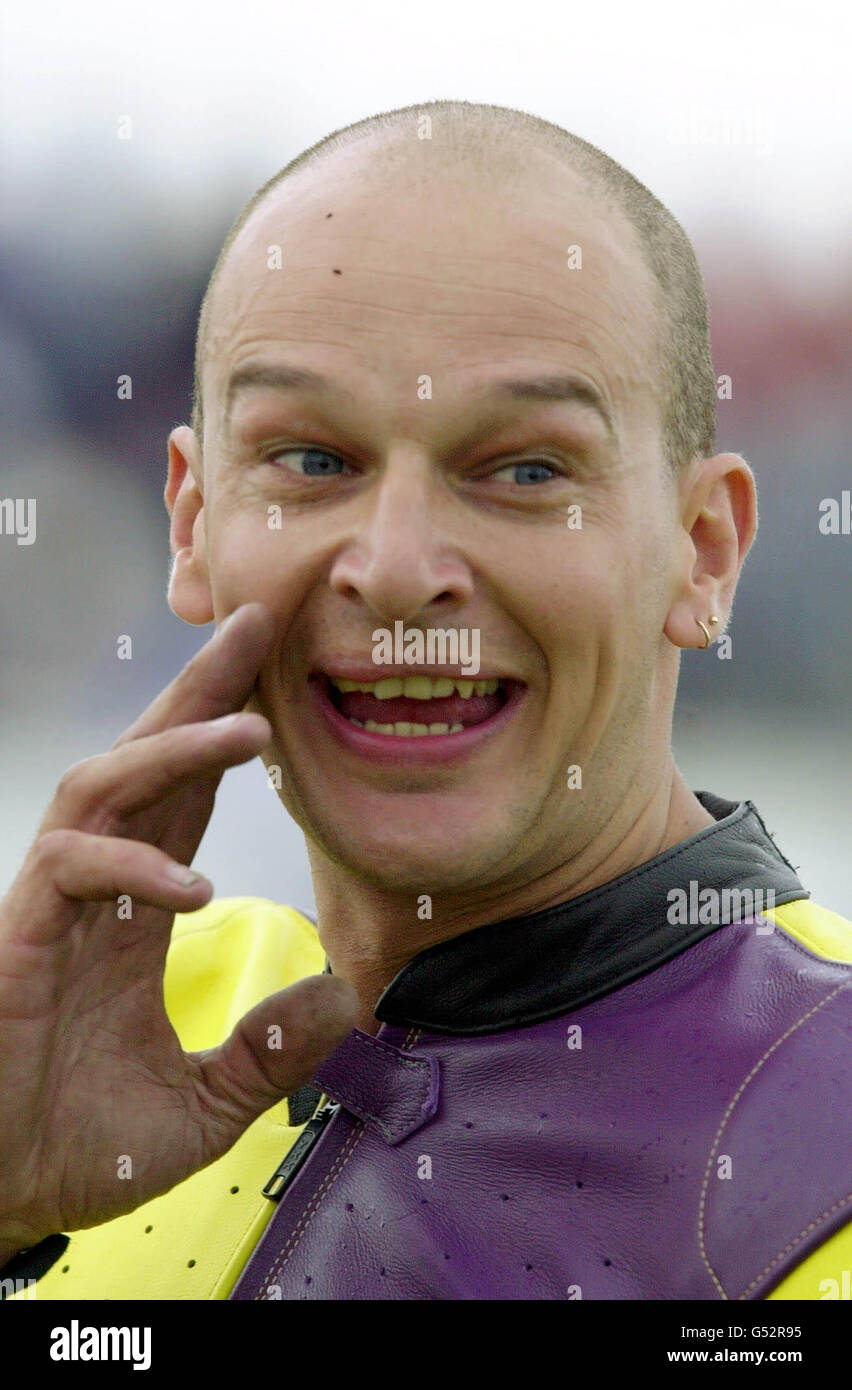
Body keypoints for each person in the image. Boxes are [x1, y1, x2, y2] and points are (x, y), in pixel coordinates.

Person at [2, 100, 849, 1302]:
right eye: (311, 460)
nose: (396, 566)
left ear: (703, 550)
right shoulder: (127, 1022)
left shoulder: (825, 1125)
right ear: (191, 522)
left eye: (523, 469)